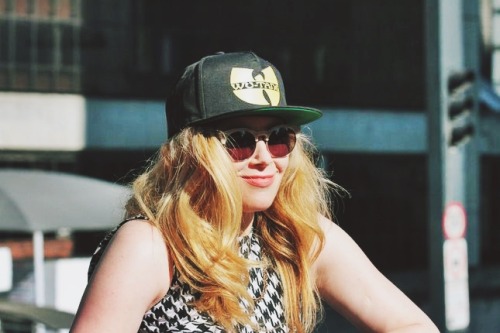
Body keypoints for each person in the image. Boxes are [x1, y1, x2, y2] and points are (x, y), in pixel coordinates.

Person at [70, 51, 439, 333]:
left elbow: (413, 326)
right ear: (192, 152)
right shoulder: (152, 245)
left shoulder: (296, 236)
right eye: (239, 141)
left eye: (279, 138)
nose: (265, 158)